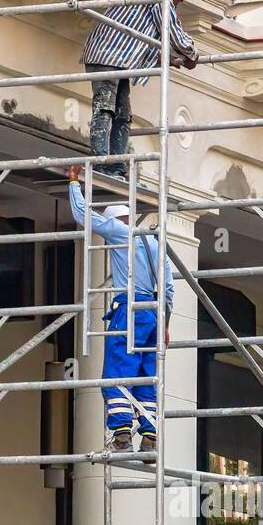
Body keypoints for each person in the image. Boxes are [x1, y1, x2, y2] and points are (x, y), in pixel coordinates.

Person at [69, 164, 174, 453]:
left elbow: (82, 215)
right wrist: (165, 324)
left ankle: (122, 434)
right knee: (145, 375)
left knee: (116, 372)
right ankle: (150, 437)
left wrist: (74, 182)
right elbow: (168, 289)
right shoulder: (155, 244)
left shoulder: (120, 231)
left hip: (130, 309)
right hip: (154, 313)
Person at [81, 0, 198, 177]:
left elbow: (140, 35)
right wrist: (193, 54)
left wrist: (168, 57)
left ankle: (115, 164)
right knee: (105, 108)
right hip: (109, 57)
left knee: (122, 114)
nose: (177, 4)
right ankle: (101, 161)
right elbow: (174, 34)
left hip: (116, 59)